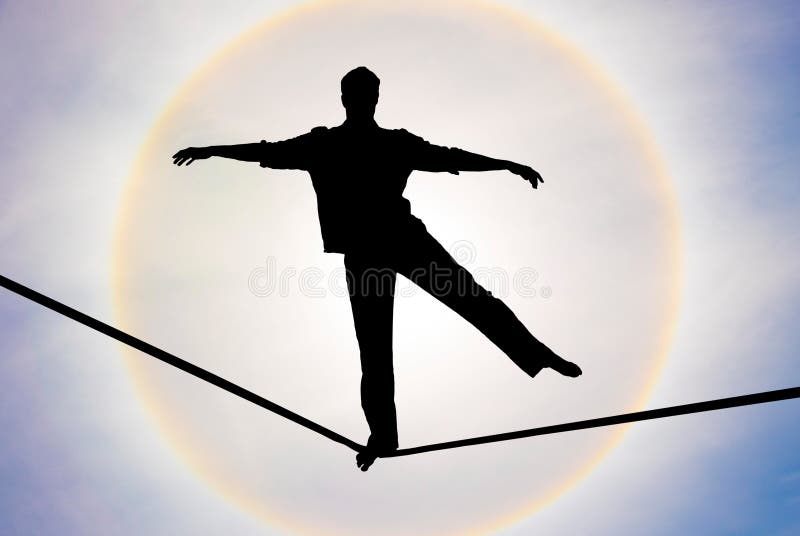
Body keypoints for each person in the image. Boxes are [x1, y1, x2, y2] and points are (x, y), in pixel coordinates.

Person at [172, 66, 581, 471]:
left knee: (471, 299)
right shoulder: (324, 144)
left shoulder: (392, 143)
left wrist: (504, 164)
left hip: (402, 239)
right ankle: (384, 434)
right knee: (375, 349)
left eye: (369, 93)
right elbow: (266, 150)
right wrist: (213, 151)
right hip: (368, 251)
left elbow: (450, 158)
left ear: (371, 98)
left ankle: (534, 353)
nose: (365, 99)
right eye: (360, 93)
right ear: (349, 99)